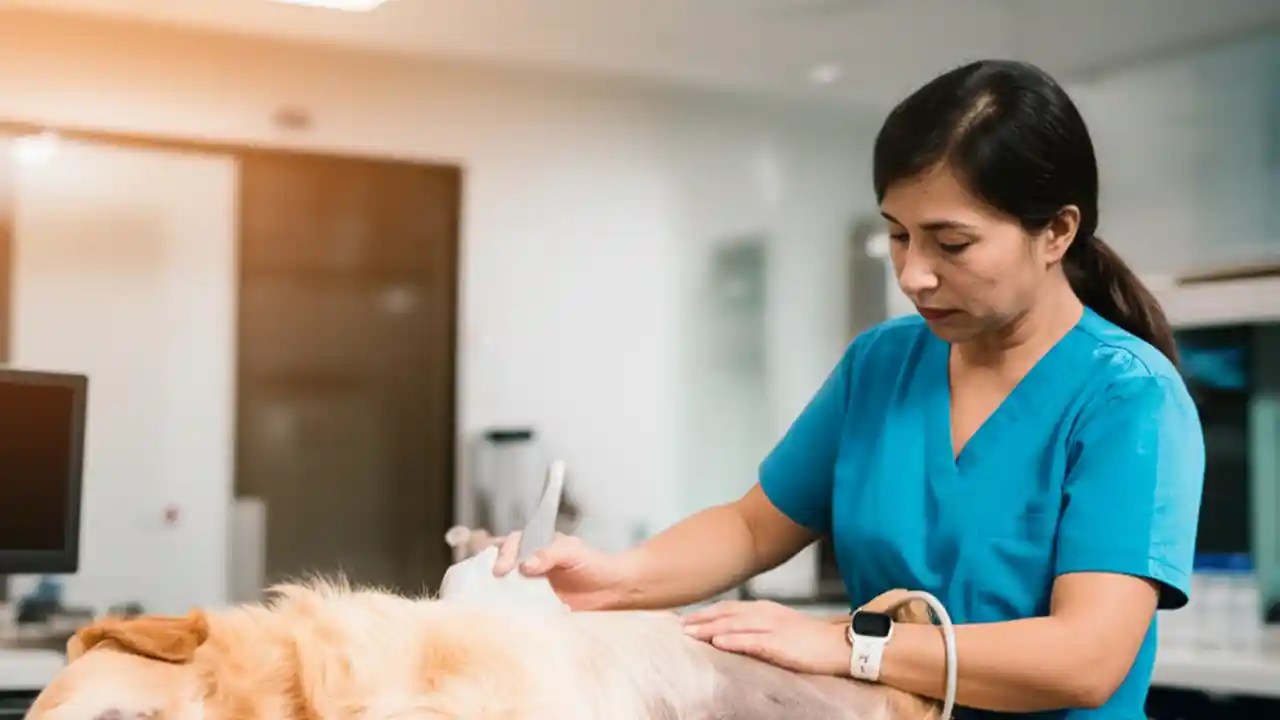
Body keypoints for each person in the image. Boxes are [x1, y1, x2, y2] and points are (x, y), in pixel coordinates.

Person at [492, 59, 1206, 719]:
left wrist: (849, 644)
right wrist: (613, 579)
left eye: (950, 244)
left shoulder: (1127, 398)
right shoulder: (883, 364)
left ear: (1056, 232)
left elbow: (1085, 660)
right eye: (898, 236)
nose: (914, 275)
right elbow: (751, 528)